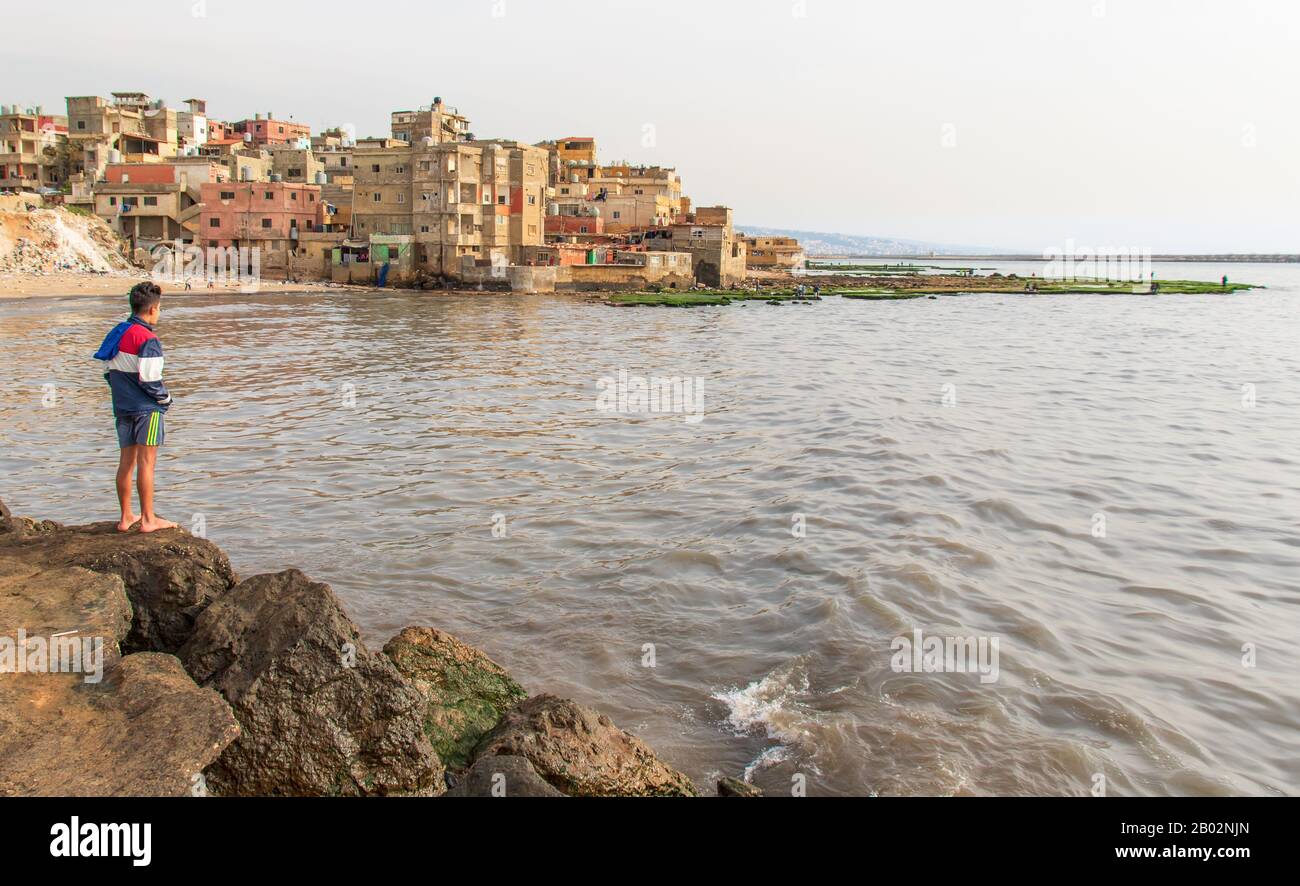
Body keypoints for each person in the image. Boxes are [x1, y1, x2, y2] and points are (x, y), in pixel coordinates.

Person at [93, 282, 177, 533]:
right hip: (146, 410)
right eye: (159, 309)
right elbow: (150, 380)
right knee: (147, 463)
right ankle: (149, 519)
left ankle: (125, 517)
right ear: (153, 310)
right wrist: (166, 399)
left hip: (122, 407)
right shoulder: (148, 339)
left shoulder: (117, 332)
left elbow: (108, 372)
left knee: (126, 463)